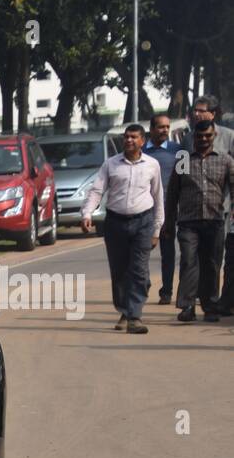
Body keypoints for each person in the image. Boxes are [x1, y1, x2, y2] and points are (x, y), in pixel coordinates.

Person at [81, 122, 163, 334]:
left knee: (139, 270)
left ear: (142, 141)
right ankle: (125, 310)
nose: (129, 140)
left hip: (143, 222)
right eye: (126, 137)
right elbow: (96, 191)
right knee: (119, 271)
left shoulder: (152, 165)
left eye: (134, 137)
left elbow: (158, 198)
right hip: (116, 223)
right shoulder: (111, 164)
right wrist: (87, 213)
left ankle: (134, 316)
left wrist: (157, 229)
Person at [163, 119, 234, 323]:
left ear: (214, 136)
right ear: (193, 137)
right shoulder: (184, 160)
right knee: (188, 261)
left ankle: (210, 306)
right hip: (188, 223)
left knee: (212, 264)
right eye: (199, 136)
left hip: (214, 221)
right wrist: (169, 222)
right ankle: (187, 306)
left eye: (207, 136)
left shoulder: (225, 160)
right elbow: (173, 193)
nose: (203, 139)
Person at [144, 113, 182, 304]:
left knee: (168, 253)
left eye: (167, 127)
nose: (165, 130)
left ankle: (166, 291)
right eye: (160, 127)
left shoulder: (178, 151)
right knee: (141, 251)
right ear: (151, 129)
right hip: (143, 211)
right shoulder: (141, 150)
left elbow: (184, 179)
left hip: (168, 210)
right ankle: (144, 284)